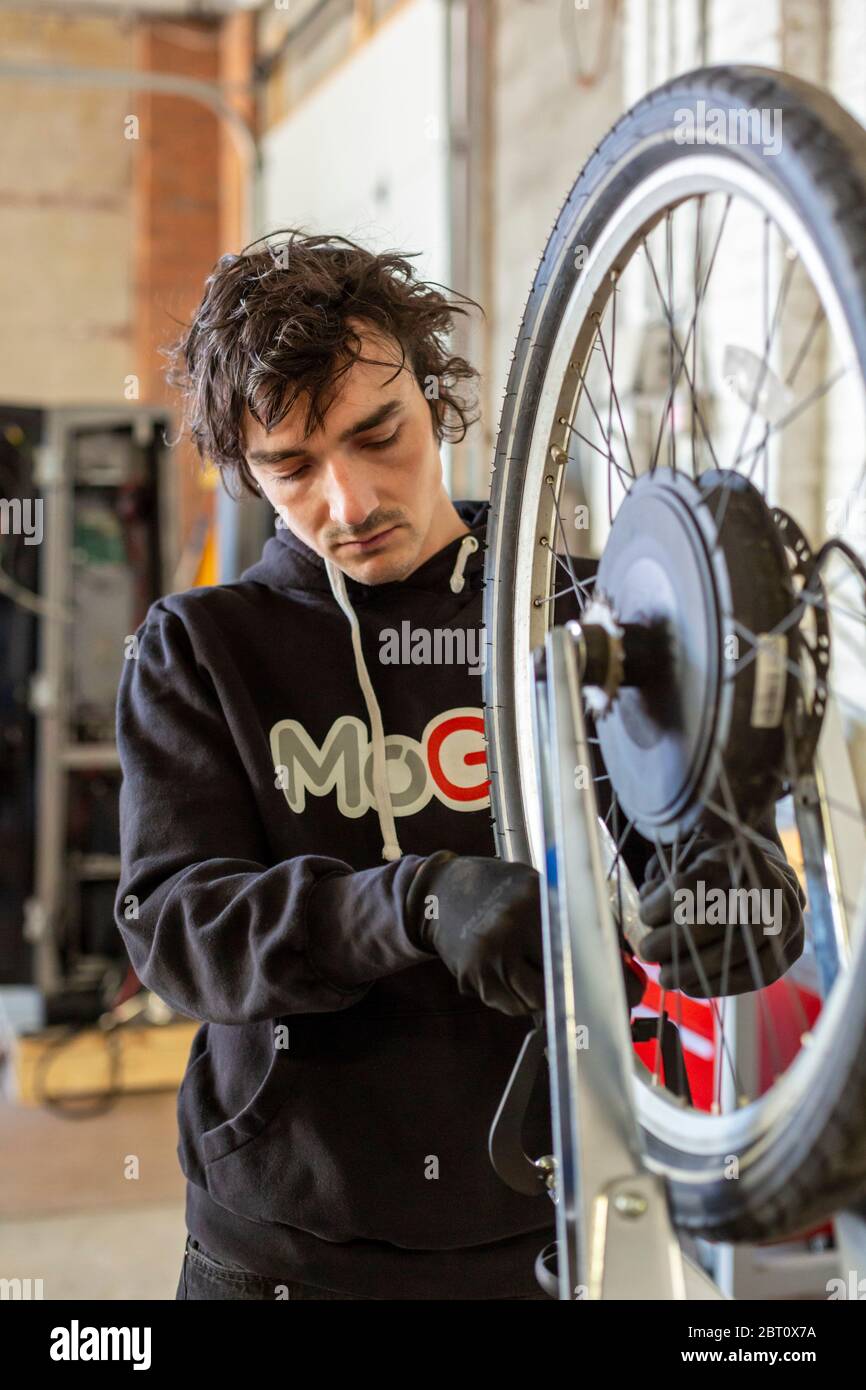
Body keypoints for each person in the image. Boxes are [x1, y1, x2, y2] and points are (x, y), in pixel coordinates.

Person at [114, 230, 803, 1301]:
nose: (348, 503)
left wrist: (736, 905)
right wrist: (416, 901)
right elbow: (176, 928)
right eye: (291, 467)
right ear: (244, 470)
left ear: (433, 398)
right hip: (285, 1252)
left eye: (376, 433)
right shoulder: (200, 649)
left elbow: (719, 851)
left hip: (543, 1232)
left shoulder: (582, 616)